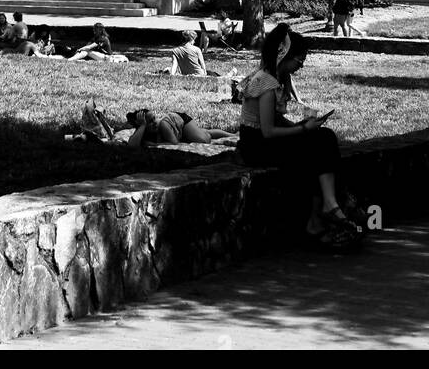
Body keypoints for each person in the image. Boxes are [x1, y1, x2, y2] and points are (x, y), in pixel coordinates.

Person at [238, 22, 359, 244]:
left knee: (324, 138)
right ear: (284, 56)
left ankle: (325, 208)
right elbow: (267, 131)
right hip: (256, 145)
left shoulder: (274, 79)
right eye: (299, 60)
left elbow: (277, 121)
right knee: (317, 144)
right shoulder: (265, 81)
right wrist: (302, 129)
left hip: (264, 140)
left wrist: (301, 126)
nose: (301, 66)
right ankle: (325, 209)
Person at [125, 108, 233, 146]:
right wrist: (142, 126)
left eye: (154, 118)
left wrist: (156, 145)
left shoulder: (162, 125)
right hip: (178, 131)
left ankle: (232, 136)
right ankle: (232, 135)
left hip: (181, 122)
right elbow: (132, 145)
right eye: (150, 121)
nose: (155, 122)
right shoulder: (142, 131)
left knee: (204, 139)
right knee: (200, 132)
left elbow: (174, 143)